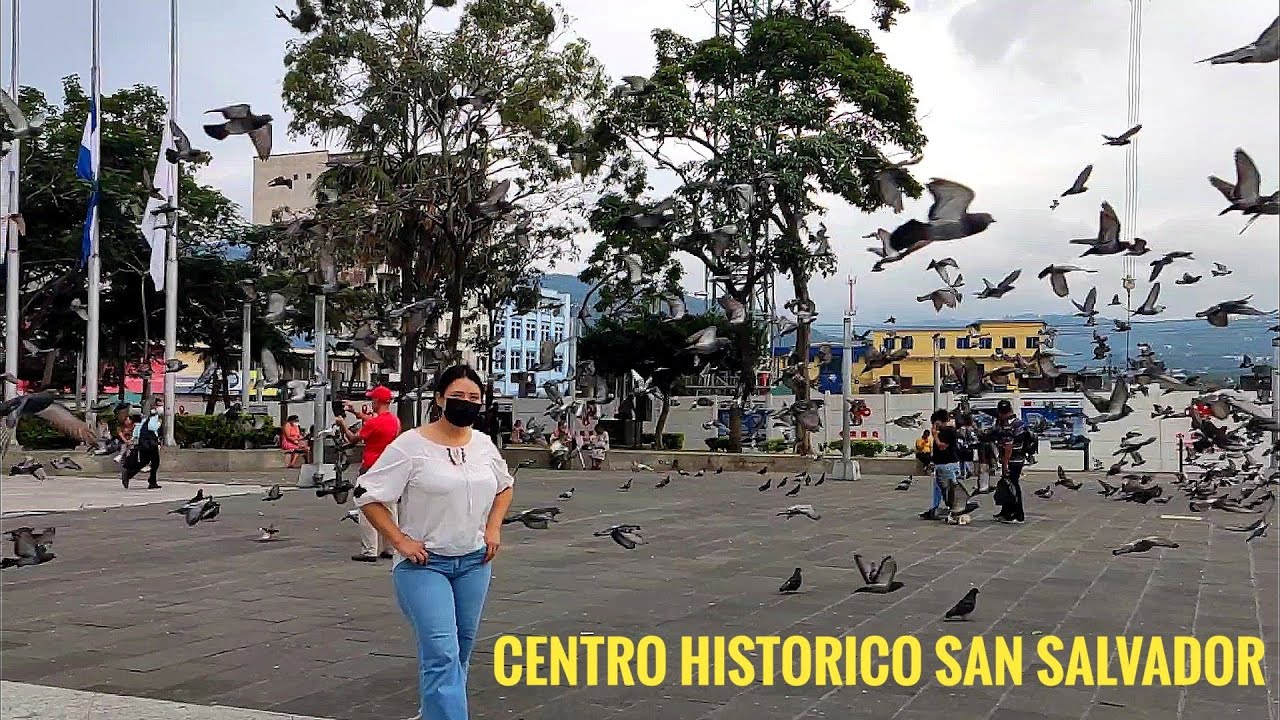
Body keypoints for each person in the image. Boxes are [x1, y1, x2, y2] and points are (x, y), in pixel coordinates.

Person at [355, 365, 514, 720]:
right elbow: (366, 495)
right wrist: (399, 540)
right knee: (441, 652)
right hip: (424, 565)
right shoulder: (411, 446)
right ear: (440, 398)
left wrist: (493, 529)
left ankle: (435, 712)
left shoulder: (483, 445)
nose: (466, 404)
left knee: (460, 651)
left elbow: (504, 487)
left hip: (474, 561)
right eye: (457, 397)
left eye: (474, 398)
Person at [338, 385, 403, 562]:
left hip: (370, 467)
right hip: (388, 467)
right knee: (389, 507)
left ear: (377, 401)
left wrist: (342, 423)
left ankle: (369, 550)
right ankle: (391, 547)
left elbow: (353, 438)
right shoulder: (395, 421)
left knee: (366, 506)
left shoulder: (374, 423)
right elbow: (373, 423)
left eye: (372, 399)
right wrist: (355, 412)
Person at [994, 399, 1035, 524]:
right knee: (1007, 485)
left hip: (1013, 460)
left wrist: (1005, 464)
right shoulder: (1019, 423)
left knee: (1012, 486)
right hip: (1017, 458)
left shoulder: (1009, 425)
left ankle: (1017, 514)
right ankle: (1006, 511)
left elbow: (1008, 446)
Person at [122, 404, 163, 490]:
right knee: (155, 462)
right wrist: (159, 423)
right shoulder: (155, 418)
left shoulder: (144, 420)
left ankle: (129, 474)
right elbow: (152, 427)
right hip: (151, 444)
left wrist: (133, 440)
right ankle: (152, 482)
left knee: (143, 462)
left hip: (143, 444)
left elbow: (136, 431)